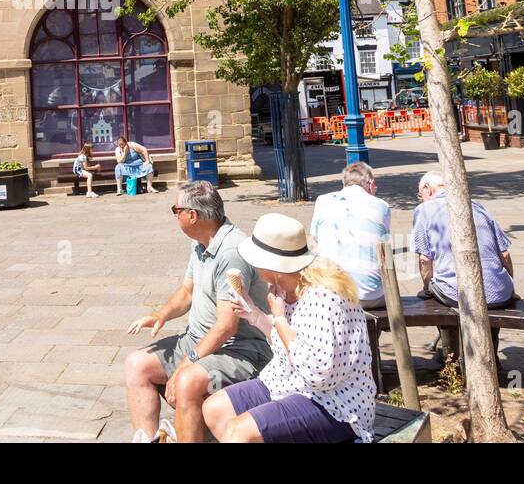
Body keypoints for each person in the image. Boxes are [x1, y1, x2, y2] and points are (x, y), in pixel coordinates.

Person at [203, 213, 376, 443]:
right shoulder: (288, 286)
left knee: (239, 431)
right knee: (214, 409)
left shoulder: (323, 297)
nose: (252, 266)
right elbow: (289, 344)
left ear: (272, 264)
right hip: (291, 383)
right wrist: (253, 314)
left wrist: (279, 318)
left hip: (336, 404)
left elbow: (318, 374)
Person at [122, 181, 272, 443]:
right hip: (198, 340)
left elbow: (227, 326)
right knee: (137, 364)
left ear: (193, 215)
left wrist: (185, 364)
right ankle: (148, 439)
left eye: (175, 210)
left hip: (240, 349)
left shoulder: (231, 252)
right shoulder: (201, 242)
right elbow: (187, 292)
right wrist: (161, 315)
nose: (175, 215)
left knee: (187, 380)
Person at [412, 170, 514, 360]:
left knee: (432, 291)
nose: (421, 199)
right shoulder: (477, 205)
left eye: (420, 195)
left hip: (459, 293)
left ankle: (451, 354)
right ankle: (491, 352)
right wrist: (510, 287)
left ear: (428, 189)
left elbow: (425, 260)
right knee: (488, 290)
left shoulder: (424, 210)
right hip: (501, 292)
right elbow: (505, 254)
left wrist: (427, 286)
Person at [309, 161, 392, 308]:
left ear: (344, 183)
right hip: (368, 297)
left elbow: (314, 246)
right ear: (371, 183)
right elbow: (383, 252)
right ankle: (369, 331)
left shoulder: (322, 201)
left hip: (330, 294)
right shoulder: (382, 206)